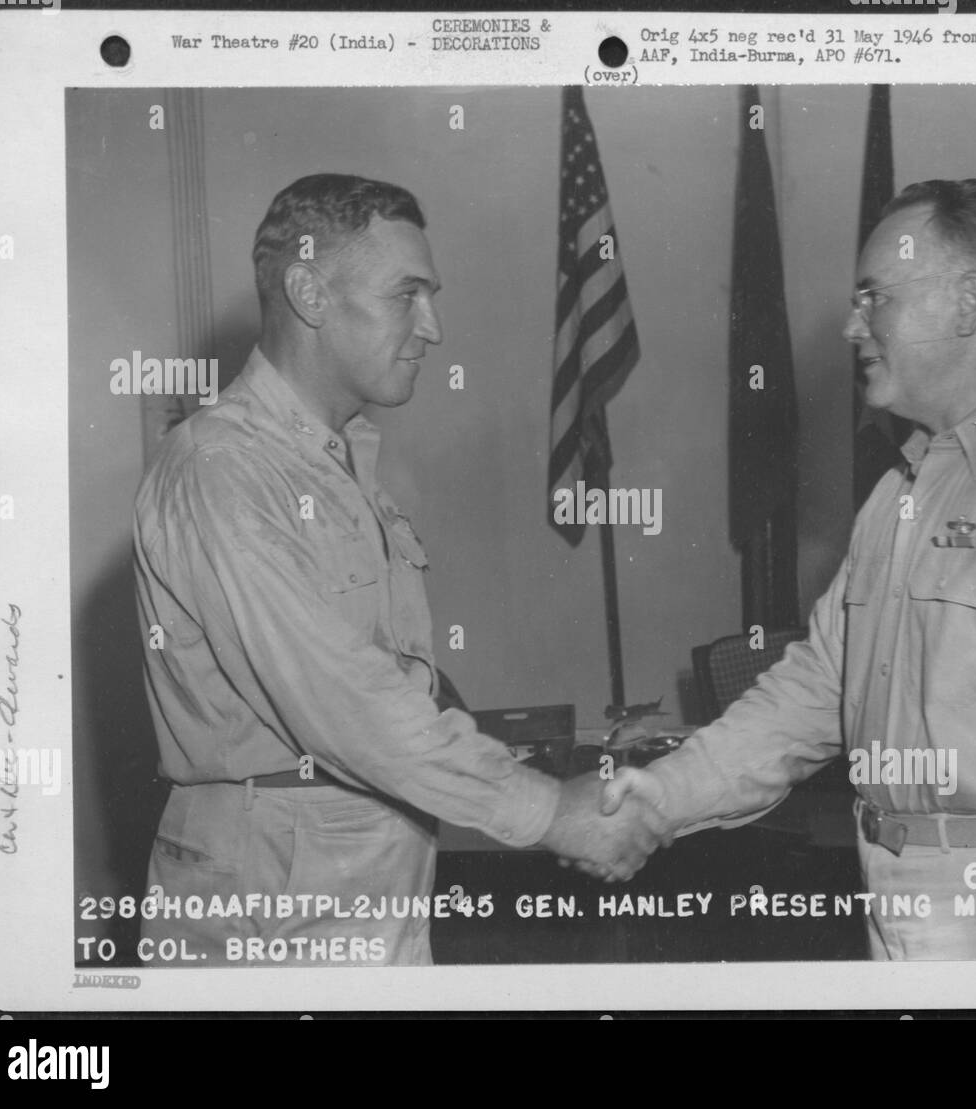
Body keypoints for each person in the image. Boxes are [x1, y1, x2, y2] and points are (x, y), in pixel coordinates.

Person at [604, 179, 976, 960]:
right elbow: (815, 689)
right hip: (901, 900)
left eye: (876, 298)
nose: (850, 325)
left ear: (967, 305)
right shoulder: (904, 490)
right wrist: (662, 795)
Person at [133, 173, 667, 967]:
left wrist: (526, 764)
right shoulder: (223, 468)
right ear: (310, 292)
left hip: (358, 879)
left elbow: (390, 678)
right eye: (406, 295)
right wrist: (552, 809)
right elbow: (347, 702)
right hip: (273, 908)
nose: (434, 328)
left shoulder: (337, 464)